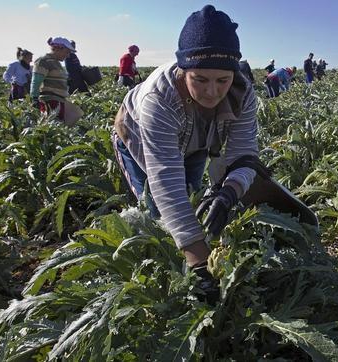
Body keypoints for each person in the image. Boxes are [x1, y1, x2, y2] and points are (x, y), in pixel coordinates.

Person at [111, 5, 261, 302]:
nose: (211, 92)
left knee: (195, 198)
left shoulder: (244, 94)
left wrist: (229, 191)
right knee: (159, 212)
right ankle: (167, 285)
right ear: (183, 70)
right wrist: (203, 267)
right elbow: (166, 180)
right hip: (138, 139)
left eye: (222, 80)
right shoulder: (160, 97)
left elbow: (245, 156)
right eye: (200, 79)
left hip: (196, 143)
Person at [30, 37, 84, 125]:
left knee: (61, 126)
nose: (68, 55)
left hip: (59, 100)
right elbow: (36, 82)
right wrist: (35, 100)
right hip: (50, 101)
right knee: (51, 126)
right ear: (59, 48)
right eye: (67, 52)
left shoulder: (57, 63)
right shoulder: (43, 61)